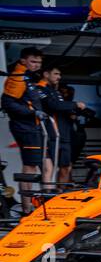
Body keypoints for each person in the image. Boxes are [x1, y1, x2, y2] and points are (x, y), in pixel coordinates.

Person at [3, 47, 55, 211]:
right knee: (30, 166)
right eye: (33, 61)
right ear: (23, 60)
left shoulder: (30, 77)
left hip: (38, 129)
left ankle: (45, 204)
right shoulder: (17, 78)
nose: (37, 65)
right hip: (26, 129)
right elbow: (8, 104)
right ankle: (26, 208)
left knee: (47, 165)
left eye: (39, 62)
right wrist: (33, 112)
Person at [40, 65, 87, 183]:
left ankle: (61, 194)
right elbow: (52, 105)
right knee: (49, 168)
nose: (59, 77)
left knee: (66, 167)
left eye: (59, 75)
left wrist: (74, 111)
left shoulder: (55, 92)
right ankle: (49, 197)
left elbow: (62, 107)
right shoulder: (40, 89)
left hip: (65, 136)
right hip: (52, 136)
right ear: (46, 74)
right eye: (56, 74)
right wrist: (74, 104)